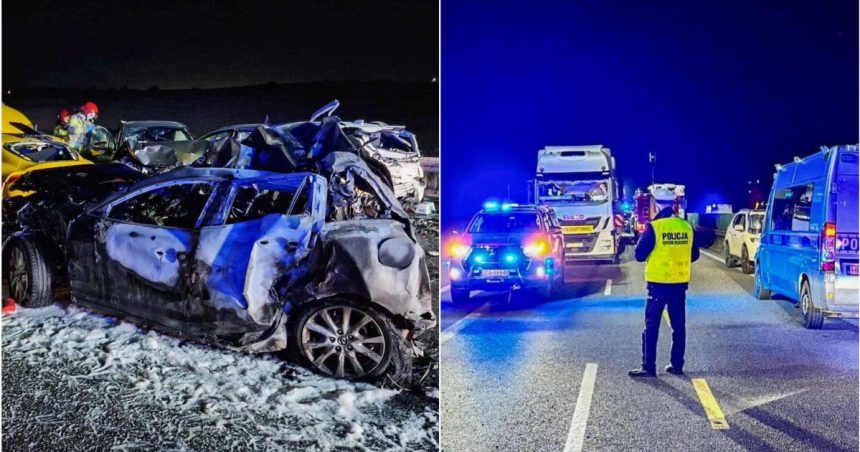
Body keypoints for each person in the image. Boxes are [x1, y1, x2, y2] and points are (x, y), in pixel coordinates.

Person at [628, 187, 699, 377]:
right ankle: (677, 365)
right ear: (673, 204)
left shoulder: (654, 227)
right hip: (679, 284)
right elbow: (694, 255)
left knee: (652, 326)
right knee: (678, 325)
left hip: (658, 285)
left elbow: (639, 255)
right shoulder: (686, 226)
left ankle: (648, 366)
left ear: (656, 205)